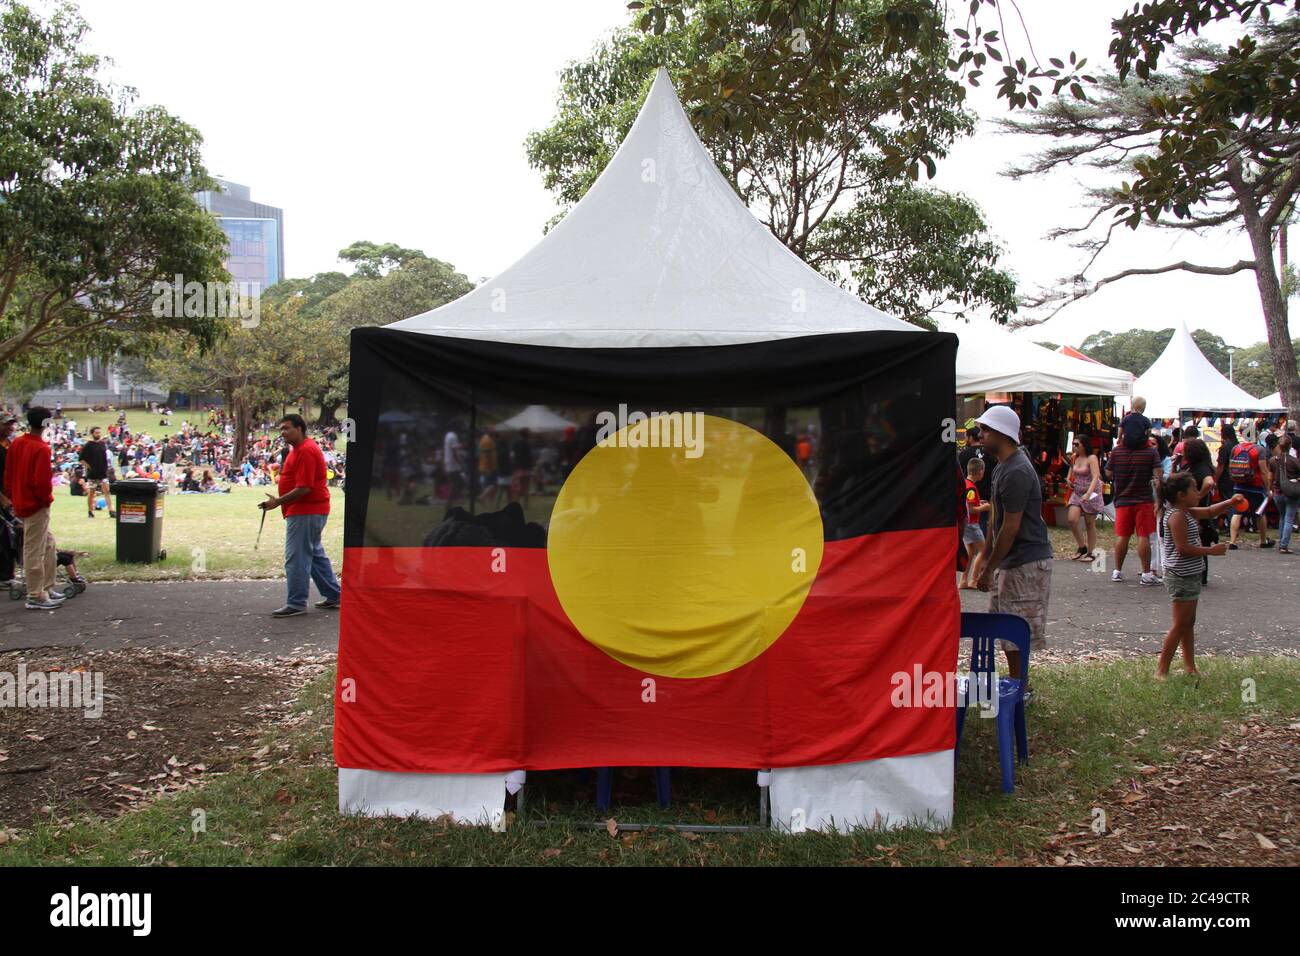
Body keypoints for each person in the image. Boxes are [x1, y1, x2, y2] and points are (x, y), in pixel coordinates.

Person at [974, 405, 1052, 691]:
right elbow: (997, 515)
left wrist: (990, 566)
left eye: (985, 430)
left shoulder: (1017, 470)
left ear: (1002, 433)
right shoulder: (1003, 467)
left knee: (1018, 627)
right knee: (1005, 624)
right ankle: (1018, 682)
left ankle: (1022, 686)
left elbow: (1011, 526)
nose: (980, 435)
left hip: (1025, 561)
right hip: (1011, 560)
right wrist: (986, 556)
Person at [1155, 474, 1240, 679]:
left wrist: (1230, 502)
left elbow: (1210, 511)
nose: (1198, 493)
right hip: (1180, 576)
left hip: (1189, 574)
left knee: (1187, 623)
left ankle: (1190, 666)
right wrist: (1211, 551)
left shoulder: (1186, 511)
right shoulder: (1177, 516)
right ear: (1181, 495)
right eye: (1194, 489)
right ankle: (1162, 670)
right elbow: (1182, 548)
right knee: (1180, 624)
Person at [259, 414, 341, 617]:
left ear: (300, 428)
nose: (283, 433)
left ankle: (296, 603)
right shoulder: (298, 449)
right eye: (281, 429)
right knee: (313, 555)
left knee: (296, 557)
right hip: (307, 510)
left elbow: (304, 488)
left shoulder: (306, 450)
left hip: (306, 509)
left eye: (287, 428)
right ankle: (334, 595)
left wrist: (277, 502)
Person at [2, 408, 63, 610]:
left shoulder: (17, 443)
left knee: (48, 544)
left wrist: (12, 496)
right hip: (35, 504)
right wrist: (45, 500)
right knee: (34, 549)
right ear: (46, 424)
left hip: (21, 501)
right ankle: (36, 594)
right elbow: (42, 482)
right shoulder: (42, 449)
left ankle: (46, 586)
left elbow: (8, 474)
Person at [1107, 431, 1163, 585]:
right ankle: (1146, 574)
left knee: (1122, 536)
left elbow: (1108, 473)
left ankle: (1117, 571)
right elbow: (1158, 474)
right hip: (1143, 499)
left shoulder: (1117, 451)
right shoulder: (1150, 451)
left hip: (1123, 499)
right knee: (1143, 536)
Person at [1227, 429, 1273, 549]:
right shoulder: (1259, 449)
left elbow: (1230, 465)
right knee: (1260, 513)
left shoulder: (1236, 448)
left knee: (1237, 513)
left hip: (1239, 485)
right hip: (1255, 486)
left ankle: (1232, 541)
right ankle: (1263, 540)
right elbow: (1263, 470)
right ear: (1256, 436)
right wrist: (1268, 488)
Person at [1181, 437, 1218, 583]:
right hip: (1191, 508)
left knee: (1199, 540)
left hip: (1198, 508)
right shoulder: (1190, 466)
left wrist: (1199, 496)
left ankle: (1201, 575)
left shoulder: (1201, 467)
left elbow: (1209, 482)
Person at [1065, 433, 1103, 561]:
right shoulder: (1075, 457)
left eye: (1077, 444)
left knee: (1089, 523)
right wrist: (1068, 480)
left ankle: (1091, 552)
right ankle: (1082, 547)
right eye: (1073, 444)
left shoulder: (1092, 458)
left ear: (1084, 445)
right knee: (1072, 519)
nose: (1074, 447)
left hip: (1091, 493)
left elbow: (1096, 476)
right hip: (1077, 491)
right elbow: (1071, 471)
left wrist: (1088, 494)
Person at [957, 426, 995, 536]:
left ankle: (977, 550)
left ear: (971, 438)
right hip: (986, 496)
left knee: (971, 527)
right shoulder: (989, 453)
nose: (965, 440)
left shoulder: (964, 454)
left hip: (968, 495)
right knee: (984, 526)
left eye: (966, 437)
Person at [959, 458, 989, 589]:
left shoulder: (965, 484)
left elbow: (969, 504)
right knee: (983, 550)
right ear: (980, 471)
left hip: (966, 524)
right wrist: (985, 507)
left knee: (970, 551)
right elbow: (971, 509)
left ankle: (963, 580)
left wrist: (979, 502)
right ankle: (974, 580)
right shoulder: (971, 488)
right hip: (972, 524)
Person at [1269, 433, 1299, 554]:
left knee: (1282, 516)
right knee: (1289, 518)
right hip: (1292, 493)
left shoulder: (1272, 460)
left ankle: (1281, 541)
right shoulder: (1295, 461)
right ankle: (1283, 545)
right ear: (1290, 445)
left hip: (1277, 492)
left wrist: (1269, 489)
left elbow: (1270, 477)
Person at [78, 426, 114, 518]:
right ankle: (90, 511)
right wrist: (89, 467)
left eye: (99, 432)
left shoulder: (102, 444)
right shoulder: (88, 445)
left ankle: (111, 510)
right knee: (91, 493)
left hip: (102, 472)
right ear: (92, 434)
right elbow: (81, 459)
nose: (98, 434)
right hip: (93, 474)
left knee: (107, 492)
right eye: (96, 433)